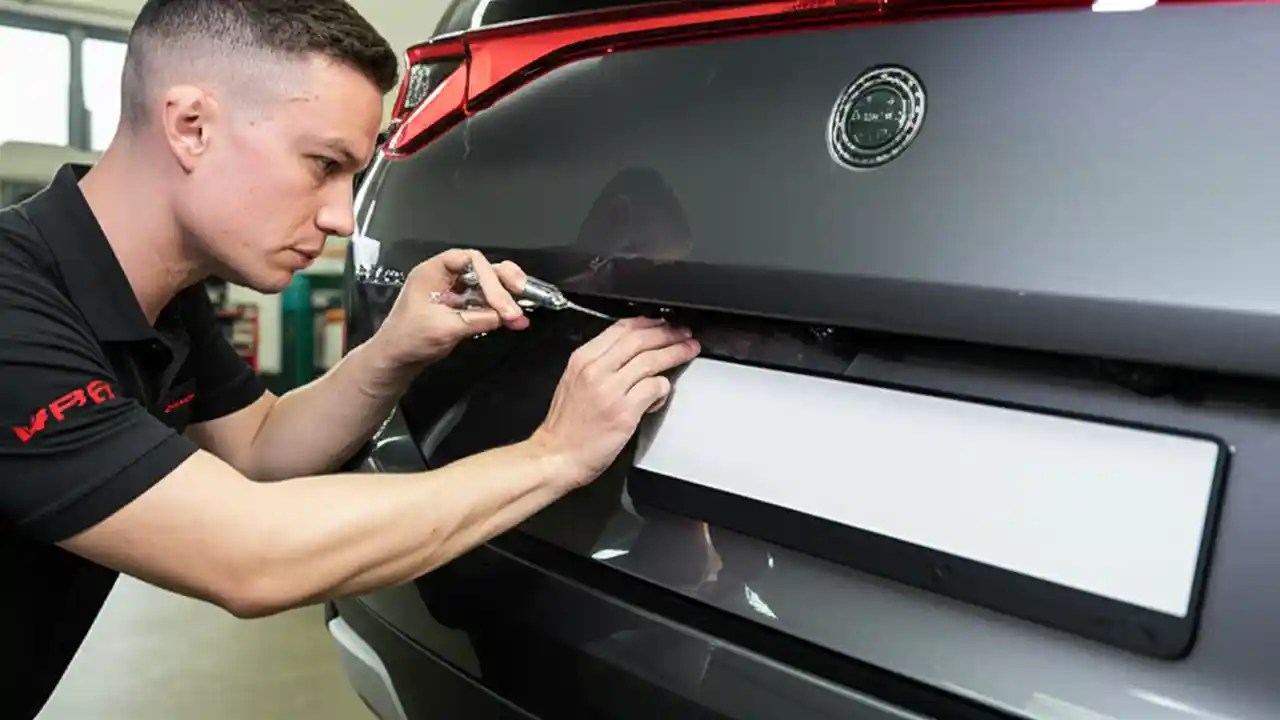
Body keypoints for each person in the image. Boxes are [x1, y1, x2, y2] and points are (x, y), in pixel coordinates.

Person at [0, 1, 700, 717]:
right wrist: (553, 454)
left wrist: (395, 349)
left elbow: (259, 449)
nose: (340, 216)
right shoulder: (12, 304)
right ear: (191, 126)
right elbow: (247, 553)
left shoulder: (160, 296)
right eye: (323, 164)